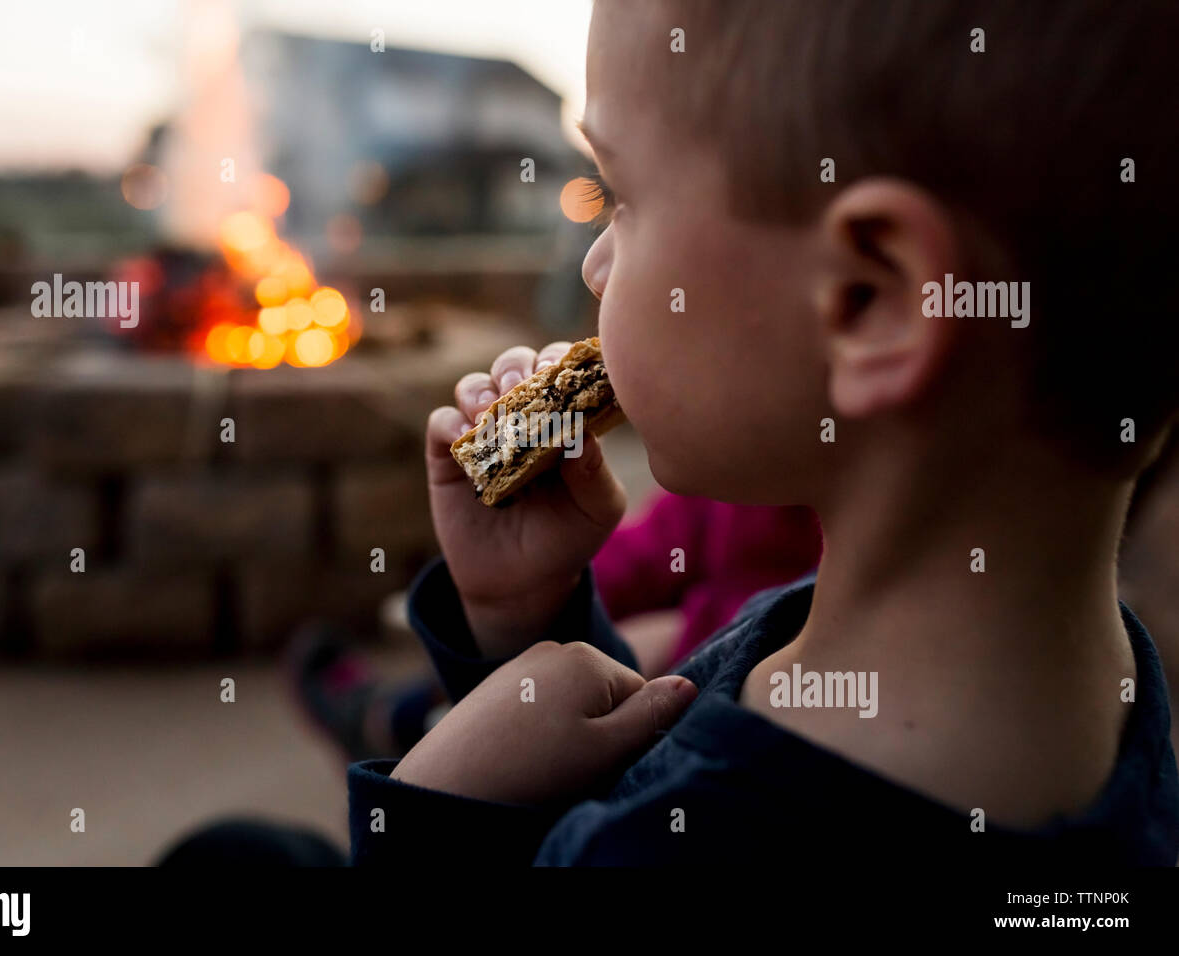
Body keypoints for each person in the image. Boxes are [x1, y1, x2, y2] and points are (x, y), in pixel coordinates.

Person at [346, 0, 1179, 865]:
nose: (594, 264)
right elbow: (649, 763)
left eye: (621, 199)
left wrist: (430, 819)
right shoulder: (1099, 707)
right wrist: (522, 617)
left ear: (871, 301)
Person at [292, 494, 823, 761]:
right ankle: (409, 716)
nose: (592, 273)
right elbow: (646, 552)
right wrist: (543, 584)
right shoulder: (739, 480)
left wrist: (688, 625)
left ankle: (403, 727)